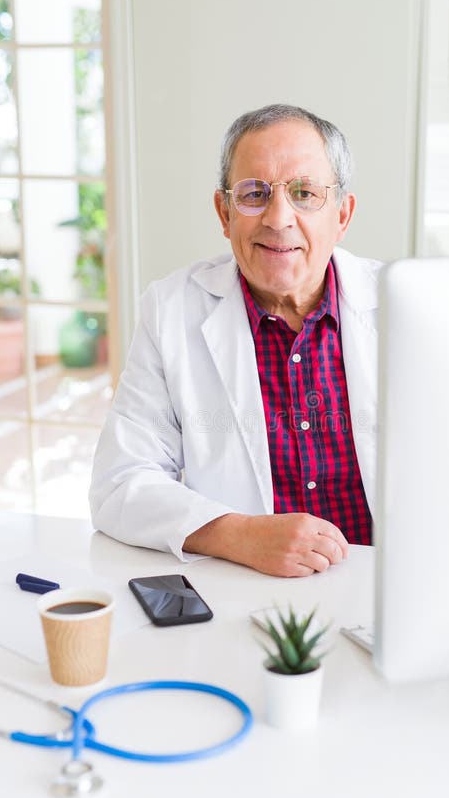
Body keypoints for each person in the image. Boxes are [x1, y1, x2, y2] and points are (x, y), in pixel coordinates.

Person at [90, 104, 380, 577]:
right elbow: (119, 483)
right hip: (243, 590)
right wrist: (240, 534)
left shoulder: (404, 308)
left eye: (304, 193)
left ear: (342, 215)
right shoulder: (171, 310)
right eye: (253, 194)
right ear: (224, 213)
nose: (278, 217)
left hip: (385, 593)